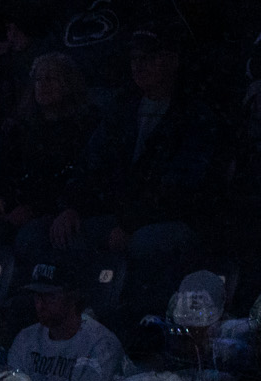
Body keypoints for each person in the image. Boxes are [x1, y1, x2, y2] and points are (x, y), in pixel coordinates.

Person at [48, 26, 217, 323]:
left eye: (149, 58)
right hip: (119, 215)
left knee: (145, 243)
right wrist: (71, 205)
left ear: (171, 61)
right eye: (135, 58)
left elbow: (182, 186)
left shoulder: (193, 114)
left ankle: (141, 319)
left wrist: (131, 222)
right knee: (66, 234)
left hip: (169, 219)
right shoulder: (122, 109)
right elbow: (91, 161)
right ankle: (81, 318)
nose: (139, 65)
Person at [0, 51, 99, 256]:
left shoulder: (85, 127)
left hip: (57, 210)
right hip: (15, 207)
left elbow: (76, 178)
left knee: (31, 236)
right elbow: (2, 171)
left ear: (68, 83)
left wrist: (35, 209)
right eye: (38, 79)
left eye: (50, 78)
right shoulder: (20, 128)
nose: (43, 84)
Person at [6, 257, 128, 381]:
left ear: (73, 297)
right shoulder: (26, 339)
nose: (40, 305)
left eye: (50, 296)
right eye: (37, 296)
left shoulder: (101, 345)